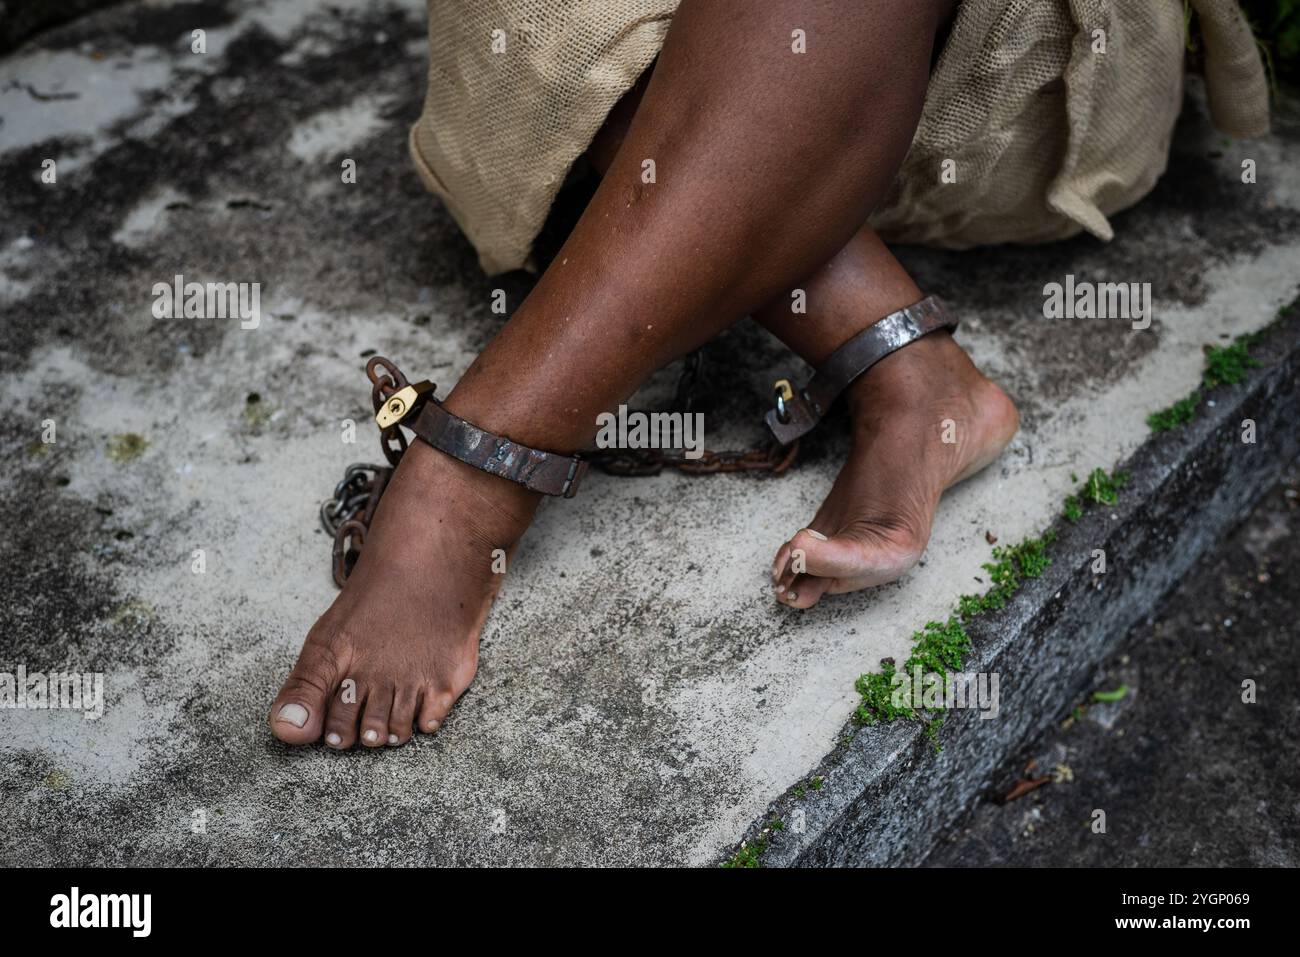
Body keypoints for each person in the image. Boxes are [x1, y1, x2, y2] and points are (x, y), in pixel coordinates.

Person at [269, 0, 1268, 748]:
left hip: (960, 79)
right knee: (551, 47)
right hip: (712, 86)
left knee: (624, 86)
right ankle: (907, 363)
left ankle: (473, 476)